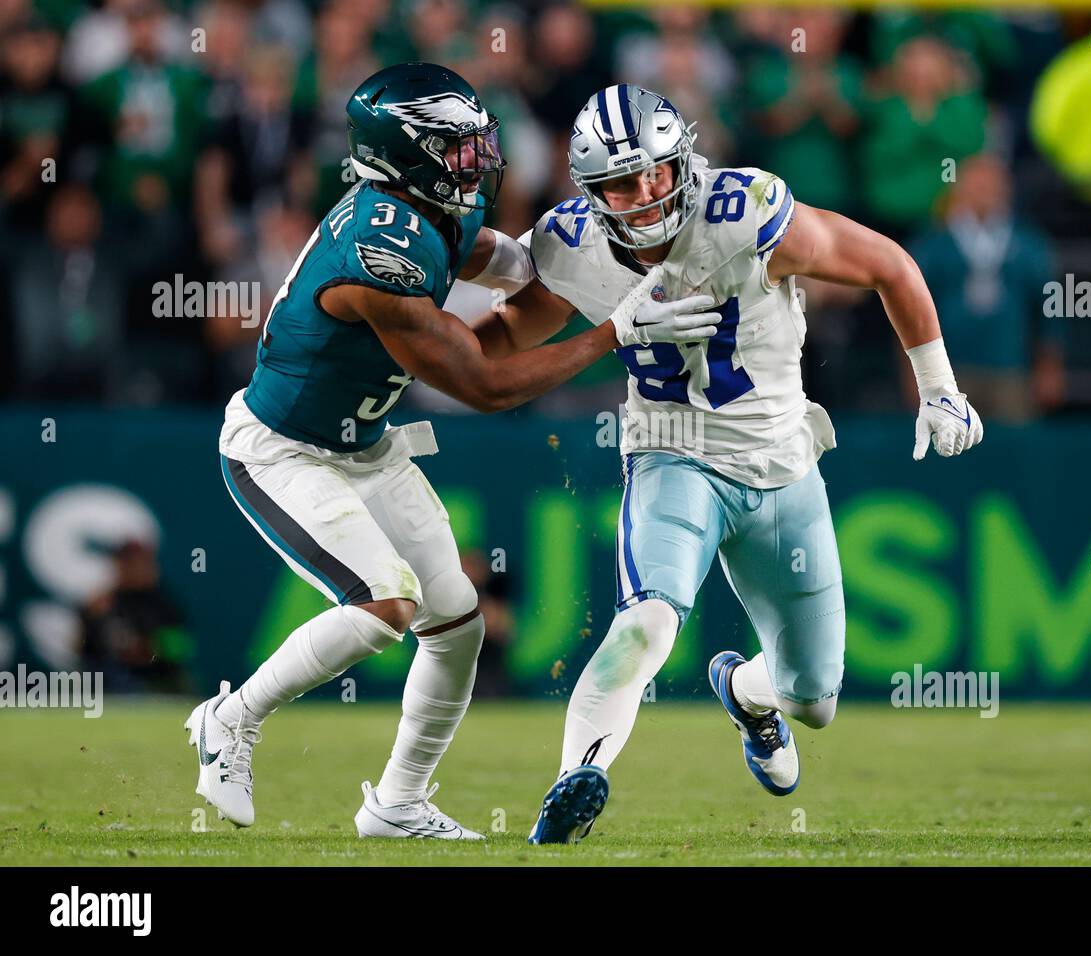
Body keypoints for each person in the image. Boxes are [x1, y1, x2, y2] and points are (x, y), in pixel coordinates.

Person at [184, 64, 718, 839]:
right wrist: (615, 332)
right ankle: (229, 719)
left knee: (457, 624)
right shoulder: (378, 252)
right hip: (282, 452)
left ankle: (397, 804)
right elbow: (485, 386)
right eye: (454, 146)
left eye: (476, 142)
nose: (476, 159)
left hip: (364, 446)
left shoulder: (434, 208)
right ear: (403, 153)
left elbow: (517, 264)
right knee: (385, 605)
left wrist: (610, 243)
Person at [469, 85, 985, 843]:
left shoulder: (745, 214)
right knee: (647, 619)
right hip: (671, 456)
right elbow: (504, 338)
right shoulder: (572, 244)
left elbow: (889, 264)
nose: (643, 194)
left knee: (815, 697)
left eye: (654, 172)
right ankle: (576, 778)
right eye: (621, 180)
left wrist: (939, 387)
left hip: (783, 465)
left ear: (683, 160)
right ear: (590, 190)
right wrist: (412, 357)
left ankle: (746, 690)